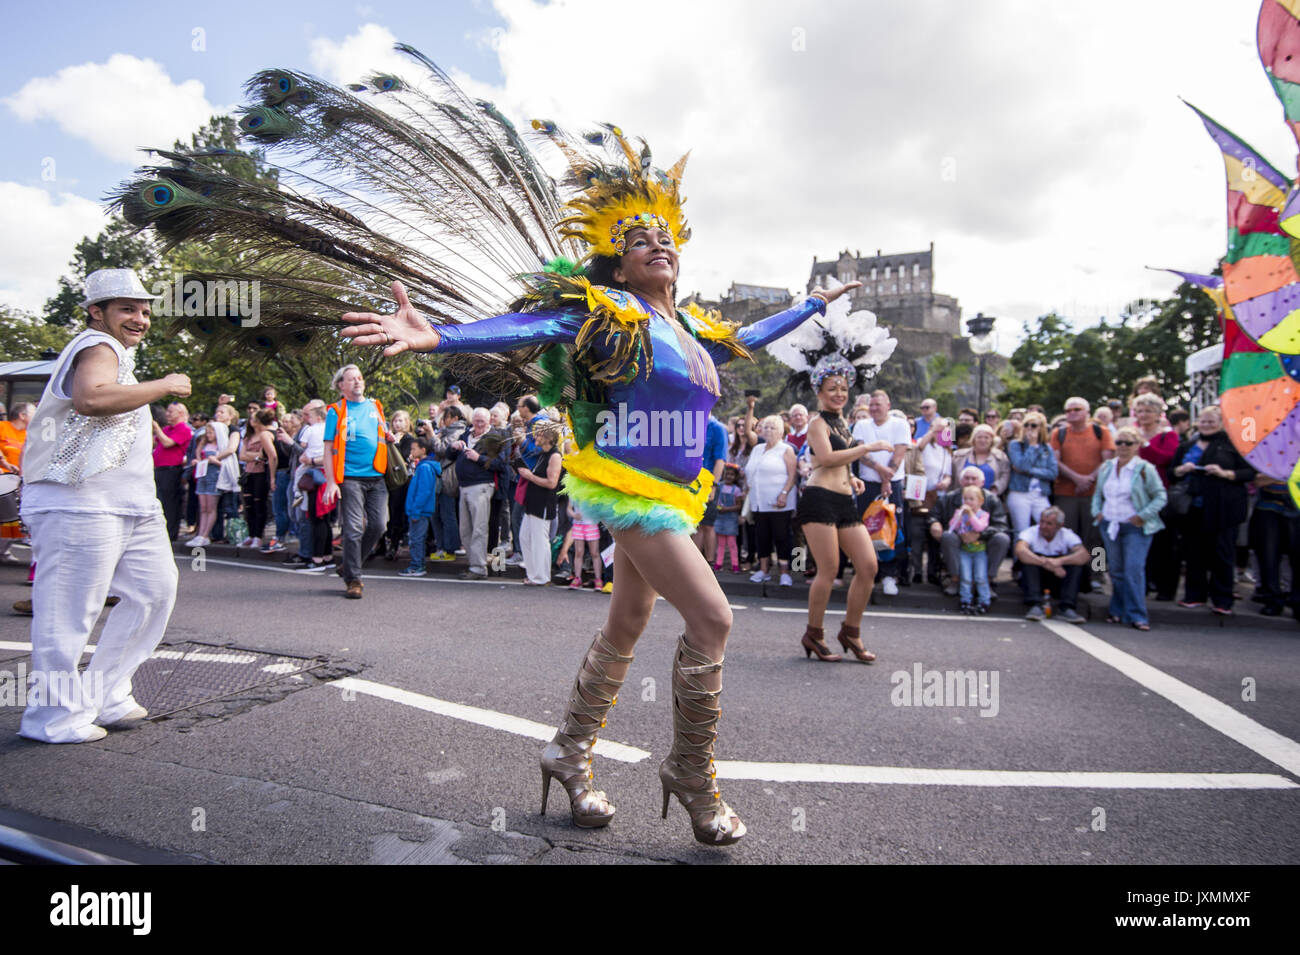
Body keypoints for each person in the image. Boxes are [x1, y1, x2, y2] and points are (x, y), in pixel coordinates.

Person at [339, 128, 861, 845]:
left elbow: (755, 332)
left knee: (628, 621)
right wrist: (442, 338)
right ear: (619, 259)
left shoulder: (694, 332)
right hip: (628, 486)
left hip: (677, 494)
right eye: (638, 238)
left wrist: (812, 305)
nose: (656, 244)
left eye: (665, 236)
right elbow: (529, 325)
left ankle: (569, 749)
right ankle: (690, 772)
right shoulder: (609, 312)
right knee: (713, 618)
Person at [18, 268, 190, 743]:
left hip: (130, 504)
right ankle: (52, 718)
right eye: (127, 309)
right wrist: (167, 384)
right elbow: (91, 399)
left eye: (145, 309)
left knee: (154, 593)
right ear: (98, 312)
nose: (140, 318)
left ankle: (105, 693)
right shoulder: (98, 346)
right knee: (68, 613)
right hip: (78, 503)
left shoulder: (118, 356)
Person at [798, 357, 894, 662]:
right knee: (828, 570)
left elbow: (839, 460)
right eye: (831, 389)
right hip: (818, 499)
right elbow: (825, 458)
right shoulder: (817, 423)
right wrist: (866, 449)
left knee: (868, 566)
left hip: (843, 501)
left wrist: (851, 477)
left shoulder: (842, 422)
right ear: (819, 392)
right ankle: (814, 633)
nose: (839, 393)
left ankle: (850, 632)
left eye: (842, 388)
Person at [1170, 405, 1256, 614]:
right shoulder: (1186, 445)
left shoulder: (1234, 444)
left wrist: (1224, 473)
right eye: (1203, 421)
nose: (1207, 425)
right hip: (1193, 508)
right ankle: (1194, 595)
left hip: (1224, 508)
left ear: (1221, 423)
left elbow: (1249, 472)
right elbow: (1172, 474)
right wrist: (1181, 470)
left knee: (1222, 553)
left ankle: (1222, 599)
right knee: (1194, 553)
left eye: (1212, 421)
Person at [323, 364, 393, 599]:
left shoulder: (376, 406)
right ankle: (354, 579)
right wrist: (331, 482)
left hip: (376, 476)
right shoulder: (336, 411)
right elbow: (328, 448)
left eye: (360, 378)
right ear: (341, 385)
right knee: (353, 529)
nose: (357, 382)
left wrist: (389, 435)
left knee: (378, 525)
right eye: (351, 379)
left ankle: (349, 564)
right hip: (350, 477)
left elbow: (382, 433)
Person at [1090, 426, 1167, 630]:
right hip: (1110, 523)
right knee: (1115, 570)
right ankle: (1117, 609)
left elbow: (1160, 496)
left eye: (1128, 443)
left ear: (1137, 446)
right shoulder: (1107, 467)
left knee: (1133, 569)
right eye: (1119, 442)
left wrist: (1143, 515)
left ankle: (1137, 614)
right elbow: (1098, 493)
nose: (1123, 447)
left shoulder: (1144, 469)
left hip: (1135, 526)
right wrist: (1097, 511)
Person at [1050, 396, 1115, 592]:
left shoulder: (1100, 432)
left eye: (1076, 409)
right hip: (1066, 493)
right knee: (1067, 536)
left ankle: (1097, 575)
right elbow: (1056, 461)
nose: (1072, 413)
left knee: (1096, 537)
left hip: (1094, 494)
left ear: (1087, 412)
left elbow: (1107, 460)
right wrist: (1077, 478)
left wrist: (1088, 479)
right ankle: (1069, 575)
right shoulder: (1058, 433)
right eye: (1068, 410)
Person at [851, 389, 911, 595]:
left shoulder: (900, 424)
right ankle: (869, 572)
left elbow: (899, 452)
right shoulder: (861, 425)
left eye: (879, 404)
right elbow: (861, 452)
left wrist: (888, 477)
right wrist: (881, 471)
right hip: (868, 484)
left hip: (892, 484)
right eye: (872, 405)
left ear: (888, 405)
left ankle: (889, 575)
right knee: (866, 529)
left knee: (890, 530)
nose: (875, 408)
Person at [929, 466, 1011, 597]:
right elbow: (934, 515)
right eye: (967, 478)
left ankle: (987, 582)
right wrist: (934, 523)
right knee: (947, 536)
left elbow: (1001, 525)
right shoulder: (949, 497)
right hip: (958, 537)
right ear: (961, 481)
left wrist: (979, 535)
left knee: (1002, 538)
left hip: (983, 540)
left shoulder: (992, 499)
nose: (970, 481)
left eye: (974, 478)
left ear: (982, 483)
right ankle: (955, 580)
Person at [446, 407, 507, 579]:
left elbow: (502, 465)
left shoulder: (495, 438)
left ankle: (480, 568)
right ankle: (475, 564)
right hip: (463, 486)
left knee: (481, 529)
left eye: (482, 421)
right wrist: (453, 447)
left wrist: (478, 458)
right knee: (465, 529)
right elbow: (449, 456)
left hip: (482, 486)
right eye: (476, 420)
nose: (478, 424)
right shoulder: (465, 434)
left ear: (489, 422)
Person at [1130, 393, 1180, 601]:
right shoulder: (1130, 433)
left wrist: (1145, 445)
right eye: (1140, 411)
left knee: (1162, 543)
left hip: (1158, 495)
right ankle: (1142, 584)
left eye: (1148, 411)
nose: (1144, 415)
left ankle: (1165, 587)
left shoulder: (1168, 435)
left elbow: (1166, 459)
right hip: (1133, 495)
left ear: (1159, 413)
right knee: (1137, 541)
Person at [745, 414, 798, 586]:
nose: (768, 430)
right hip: (759, 501)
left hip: (779, 503)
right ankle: (763, 570)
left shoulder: (786, 450)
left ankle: (785, 572)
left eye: (772, 427)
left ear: (781, 431)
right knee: (762, 537)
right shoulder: (757, 449)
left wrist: (784, 493)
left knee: (782, 536)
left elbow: (792, 475)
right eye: (765, 427)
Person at [1015, 507, 1088, 623]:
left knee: (1077, 566)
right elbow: (1020, 551)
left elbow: (1084, 555)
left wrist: (1060, 562)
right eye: (1042, 522)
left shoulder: (1067, 535)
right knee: (1027, 562)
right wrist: (1045, 563)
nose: (1043, 526)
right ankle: (1035, 605)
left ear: (1059, 526)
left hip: (1059, 578)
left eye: (1049, 524)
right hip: (1037, 577)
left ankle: (1067, 607)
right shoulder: (1030, 532)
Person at [517, 419, 564, 587]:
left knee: (540, 540)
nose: (535, 435)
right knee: (525, 537)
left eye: (539, 433)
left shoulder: (555, 455)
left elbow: (552, 483)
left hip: (544, 503)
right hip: (532, 502)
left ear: (548, 437)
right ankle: (533, 573)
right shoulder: (543, 453)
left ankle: (542, 576)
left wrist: (529, 476)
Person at [1005, 411, 1057, 536]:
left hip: (1040, 494)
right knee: (1022, 532)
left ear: (1041, 428)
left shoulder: (1047, 448)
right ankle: (1020, 555)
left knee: (1048, 527)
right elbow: (1021, 465)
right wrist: (1032, 447)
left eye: (1033, 425)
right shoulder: (1016, 445)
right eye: (1026, 425)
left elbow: (1053, 473)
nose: (1029, 428)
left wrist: (1029, 471)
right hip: (1020, 493)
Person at [399, 437, 441, 577]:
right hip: (419, 510)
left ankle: (417, 566)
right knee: (417, 538)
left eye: (413, 449)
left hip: (420, 510)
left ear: (423, 450)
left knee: (416, 539)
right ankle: (417, 564)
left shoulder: (425, 467)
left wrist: (415, 511)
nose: (411, 451)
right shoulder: (424, 466)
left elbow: (424, 491)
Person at [949, 484, 992, 615]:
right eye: (965, 499)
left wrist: (971, 515)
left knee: (980, 577)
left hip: (979, 551)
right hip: (965, 550)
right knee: (966, 576)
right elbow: (952, 527)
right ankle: (965, 600)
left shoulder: (983, 515)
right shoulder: (960, 513)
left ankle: (984, 601)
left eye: (971, 499)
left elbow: (979, 527)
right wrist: (960, 515)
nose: (968, 502)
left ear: (980, 501)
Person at [238, 408, 278, 549]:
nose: (252, 420)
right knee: (248, 505)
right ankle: (250, 534)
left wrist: (253, 456)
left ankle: (258, 536)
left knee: (259, 503)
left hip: (261, 472)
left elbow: (264, 456)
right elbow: (242, 455)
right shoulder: (248, 437)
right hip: (249, 471)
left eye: (255, 418)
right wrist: (254, 456)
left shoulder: (265, 435)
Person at [952, 423, 1010, 498]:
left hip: (990, 498)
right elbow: (952, 477)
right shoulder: (958, 455)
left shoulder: (1000, 457)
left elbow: (1005, 476)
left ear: (992, 440)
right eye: (979, 437)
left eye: (986, 438)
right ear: (973, 439)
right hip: (962, 497)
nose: (982, 440)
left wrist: (995, 491)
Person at [713, 464, 744, 573]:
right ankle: (718, 563)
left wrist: (726, 509)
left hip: (731, 519)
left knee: (732, 544)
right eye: (727, 474)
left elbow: (739, 505)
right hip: (720, 518)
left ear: (735, 477)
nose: (729, 476)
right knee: (720, 544)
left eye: (732, 475)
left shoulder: (737, 490)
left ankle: (735, 565)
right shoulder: (719, 486)